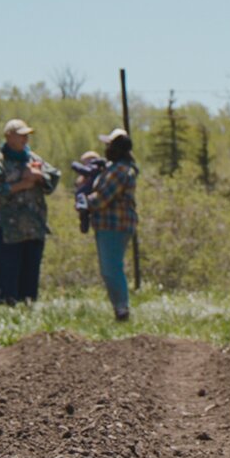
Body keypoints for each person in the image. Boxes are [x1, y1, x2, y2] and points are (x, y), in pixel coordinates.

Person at [0, 119, 59, 305]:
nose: (25, 138)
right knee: (6, 276)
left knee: (30, 276)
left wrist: (39, 178)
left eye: (27, 135)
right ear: (9, 137)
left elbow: (53, 178)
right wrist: (21, 184)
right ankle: (6, 309)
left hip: (35, 228)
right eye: (21, 134)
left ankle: (28, 308)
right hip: (9, 230)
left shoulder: (34, 159)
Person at [82, 130, 139, 321]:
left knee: (111, 268)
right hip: (112, 224)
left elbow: (102, 198)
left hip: (114, 224)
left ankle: (122, 310)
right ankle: (120, 308)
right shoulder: (118, 168)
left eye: (109, 145)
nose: (106, 149)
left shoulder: (119, 171)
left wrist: (85, 201)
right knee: (110, 268)